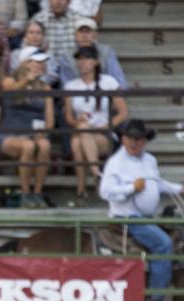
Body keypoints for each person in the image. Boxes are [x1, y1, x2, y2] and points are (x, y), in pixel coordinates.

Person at [99, 119, 184, 301]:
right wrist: (131, 188)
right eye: (130, 138)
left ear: (144, 140)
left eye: (138, 139)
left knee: (175, 233)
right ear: (123, 139)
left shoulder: (150, 160)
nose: (134, 142)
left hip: (145, 216)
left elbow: (157, 183)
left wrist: (180, 189)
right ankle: (157, 297)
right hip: (127, 218)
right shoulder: (116, 163)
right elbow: (105, 191)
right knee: (163, 243)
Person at [64, 45, 127, 205]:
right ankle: (96, 174)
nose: (83, 62)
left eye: (87, 58)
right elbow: (69, 118)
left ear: (96, 62)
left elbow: (123, 113)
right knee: (78, 139)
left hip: (103, 133)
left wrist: (105, 126)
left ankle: (81, 191)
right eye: (80, 59)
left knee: (79, 139)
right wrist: (79, 121)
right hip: (83, 131)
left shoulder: (109, 82)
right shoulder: (71, 85)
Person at [0, 47, 54, 208]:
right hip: (11, 134)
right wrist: (27, 80)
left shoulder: (45, 88)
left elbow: (50, 120)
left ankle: (37, 193)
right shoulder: (9, 80)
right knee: (28, 146)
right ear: (25, 63)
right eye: (37, 61)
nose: (41, 65)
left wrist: (43, 132)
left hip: (35, 133)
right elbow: (10, 92)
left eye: (42, 62)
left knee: (44, 145)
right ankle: (25, 194)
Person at [56, 17, 126, 88]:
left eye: (88, 32)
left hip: (105, 92)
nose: (84, 36)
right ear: (75, 35)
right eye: (81, 32)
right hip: (76, 92)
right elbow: (66, 85)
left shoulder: (107, 52)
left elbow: (118, 79)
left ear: (95, 35)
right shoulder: (67, 57)